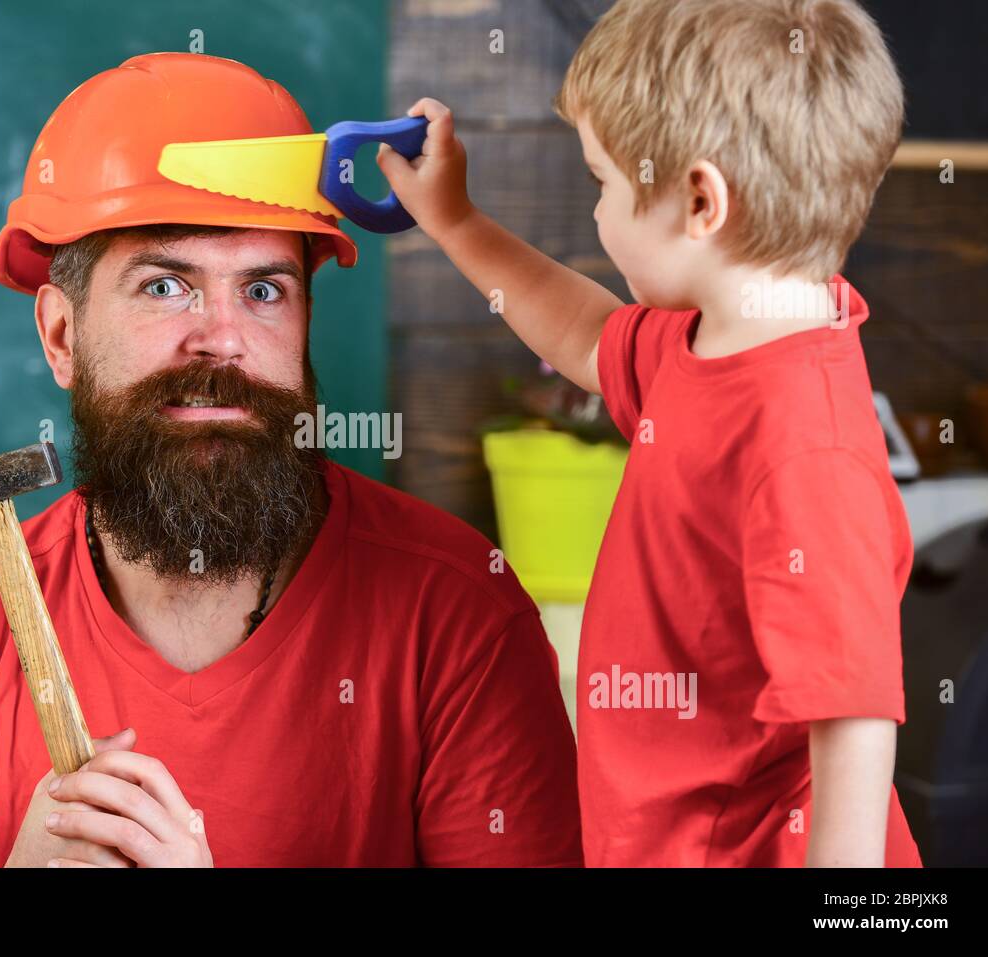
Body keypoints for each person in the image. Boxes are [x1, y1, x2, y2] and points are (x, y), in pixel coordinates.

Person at [0, 52, 582, 868]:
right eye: (165, 286)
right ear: (62, 336)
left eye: (265, 289)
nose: (224, 339)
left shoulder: (460, 613)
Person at [378, 0, 921, 866]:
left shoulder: (805, 446)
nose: (596, 213)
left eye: (602, 181)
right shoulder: (720, 338)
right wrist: (456, 222)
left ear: (701, 200)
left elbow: (853, 718)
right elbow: (586, 336)